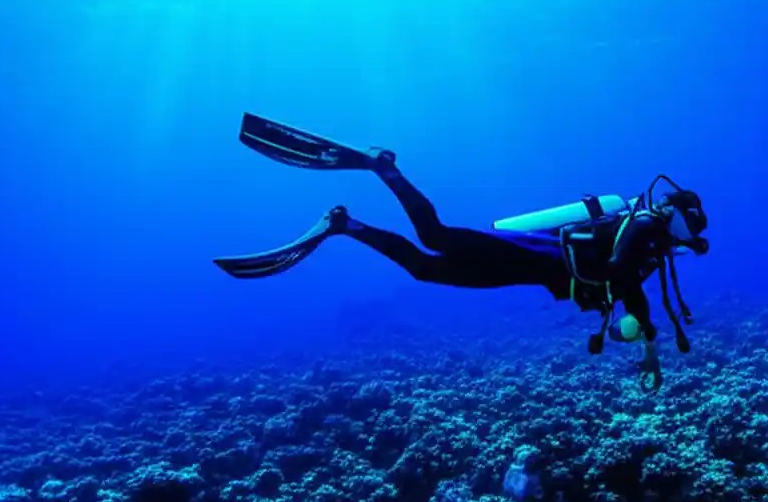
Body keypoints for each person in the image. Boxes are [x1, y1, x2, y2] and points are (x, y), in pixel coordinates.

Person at [214, 113, 710, 391]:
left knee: (426, 269)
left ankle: (345, 224)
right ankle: (379, 166)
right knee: (435, 237)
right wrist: (646, 340)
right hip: (531, 255)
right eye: (691, 223)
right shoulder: (645, 225)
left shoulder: (654, 243)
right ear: (675, 213)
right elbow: (622, 273)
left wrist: (645, 343)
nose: (691, 234)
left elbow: (627, 285)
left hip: (533, 270)